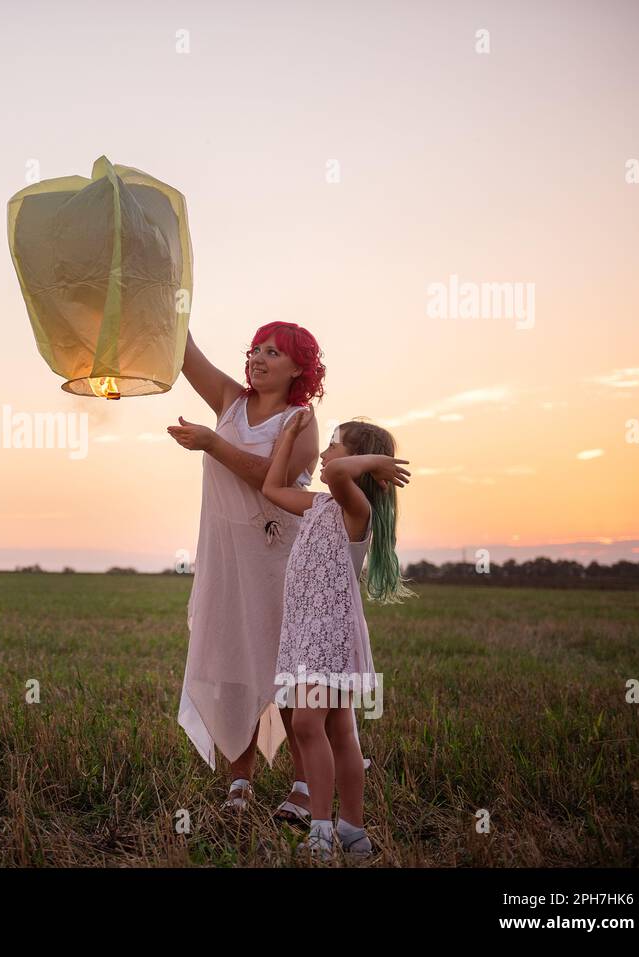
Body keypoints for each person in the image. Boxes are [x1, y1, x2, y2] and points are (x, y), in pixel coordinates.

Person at [167, 321, 323, 816]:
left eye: (272, 353)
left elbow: (268, 478)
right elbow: (184, 351)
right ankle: (240, 782)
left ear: (299, 367)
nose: (257, 359)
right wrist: (171, 299)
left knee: (288, 670)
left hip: (282, 561)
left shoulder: (301, 418)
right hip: (227, 557)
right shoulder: (231, 400)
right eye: (254, 350)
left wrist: (213, 443)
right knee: (234, 663)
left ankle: (304, 786)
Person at [262, 410, 413, 859]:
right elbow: (271, 489)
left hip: (329, 636)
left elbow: (336, 473)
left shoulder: (355, 508)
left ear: (360, 465)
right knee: (341, 732)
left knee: (308, 724)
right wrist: (288, 437)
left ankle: (322, 830)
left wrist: (367, 463)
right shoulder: (320, 506)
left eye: (334, 443)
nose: (326, 452)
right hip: (304, 633)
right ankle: (353, 830)